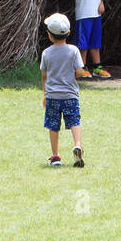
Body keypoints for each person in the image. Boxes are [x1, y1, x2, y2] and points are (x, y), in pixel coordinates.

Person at [40, 13, 85, 167]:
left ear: (49, 36)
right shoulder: (73, 51)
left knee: (53, 126)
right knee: (74, 121)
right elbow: (79, 72)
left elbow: (44, 75)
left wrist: (45, 94)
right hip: (70, 95)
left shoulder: (46, 53)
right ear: (68, 33)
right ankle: (78, 145)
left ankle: (55, 156)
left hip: (52, 96)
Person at [72, 0, 110, 79]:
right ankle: (81, 67)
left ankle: (97, 67)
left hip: (95, 14)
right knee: (83, 43)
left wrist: (101, 3)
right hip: (84, 14)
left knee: (95, 42)